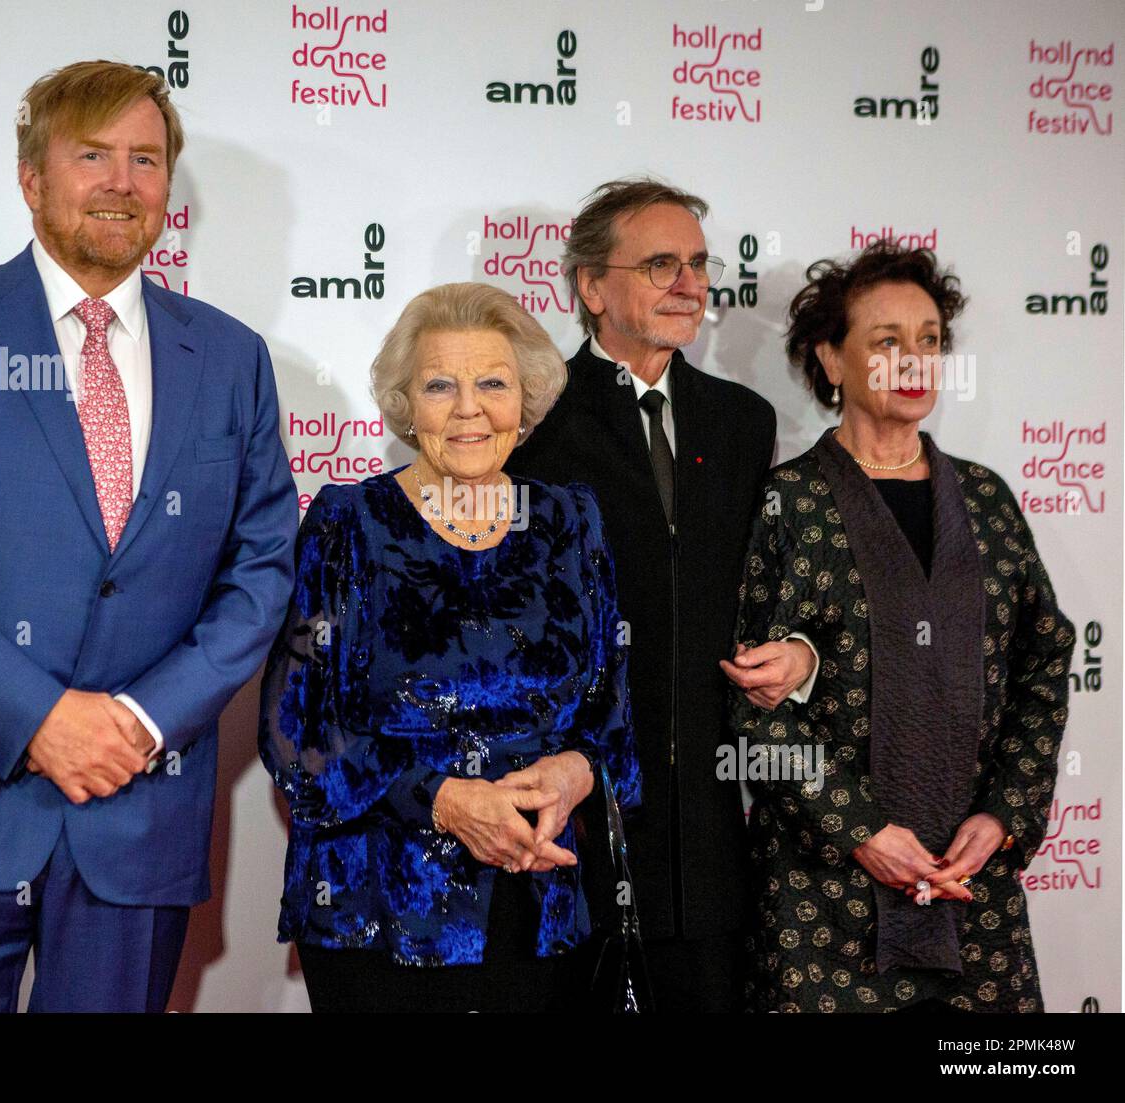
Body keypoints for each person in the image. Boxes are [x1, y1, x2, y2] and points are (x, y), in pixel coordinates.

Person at [0, 60, 298, 1012]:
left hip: (140, 806)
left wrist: (138, 721)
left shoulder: (231, 359)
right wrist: (39, 719)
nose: (123, 182)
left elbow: (260, 572)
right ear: (30, 176)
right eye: (92, 155)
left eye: (147, 159)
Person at [258, 282, 641, 1013]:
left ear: (526, 398)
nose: (469, 407)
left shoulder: (570, 521)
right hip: (374, 909)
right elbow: (294, 731)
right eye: (441, 384)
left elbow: (611, 717)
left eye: (492, 382)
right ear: (407, 403)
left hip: (536, 907)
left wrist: (575, 772)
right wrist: (439, 799)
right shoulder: (347, 523)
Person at [733, 241, 1073, 1012]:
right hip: (823, 902)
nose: (913, 359)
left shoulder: (985, 500)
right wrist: (861, 829)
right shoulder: (790, 502)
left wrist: (1004, 814)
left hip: (970, 887)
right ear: (830, 359)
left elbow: (1044, 661)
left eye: (928, 340)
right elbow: (753, 704)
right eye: (886, 342)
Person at [505, 178, 816, 1011]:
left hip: (713, 837)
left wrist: (800, 652)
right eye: (660, 264)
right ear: (592, 286)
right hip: (574, 831)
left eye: (697, 264)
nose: (689, 283)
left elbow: (773, 588)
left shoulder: (742, 422)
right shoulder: (532, 420)